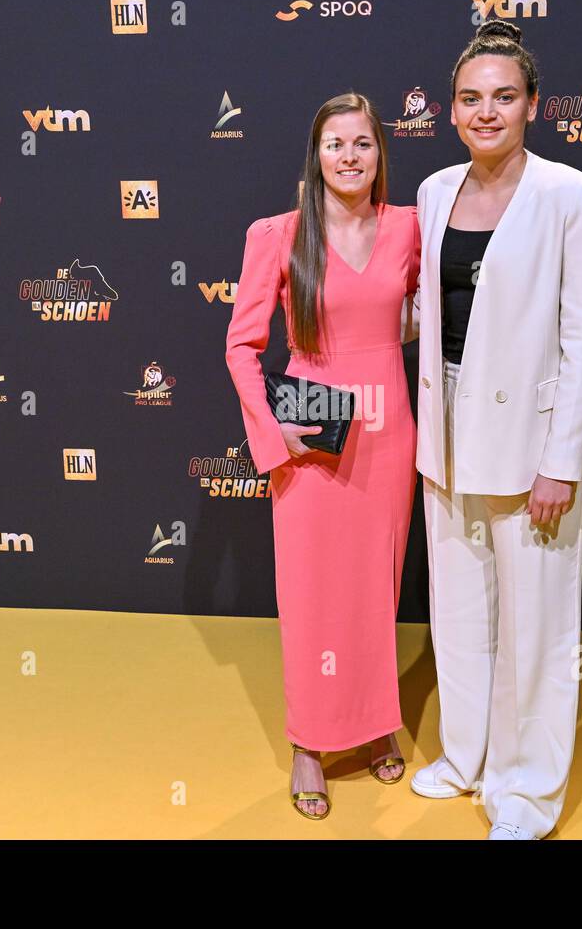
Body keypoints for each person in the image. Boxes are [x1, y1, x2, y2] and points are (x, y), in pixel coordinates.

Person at [409, 21, 582, 839]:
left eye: (503, 96)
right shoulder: (432, 191)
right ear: (450, 110)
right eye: (469, 98)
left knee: (536, 621)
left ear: (533, 104)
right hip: (446, 427)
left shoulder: (570, 193)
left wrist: (561, 460)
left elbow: (581, 336)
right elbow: (426, 309)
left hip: (531, 440)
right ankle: (467, 759)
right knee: (457, 609)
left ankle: (524, 790)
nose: (485, 111)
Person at [224, 92, 422, 820]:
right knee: (311, 593)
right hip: (311, 433)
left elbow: (433, 318)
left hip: (388, 431)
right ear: (317, 156)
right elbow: (241, 347)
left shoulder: (410, 226)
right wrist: (277, 433)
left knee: (376, 586)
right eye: (335, 143)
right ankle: (310, 741)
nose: (349, 156)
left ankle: (373, 723)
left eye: (363, 144)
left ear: (380, 155)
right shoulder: (277, 233)